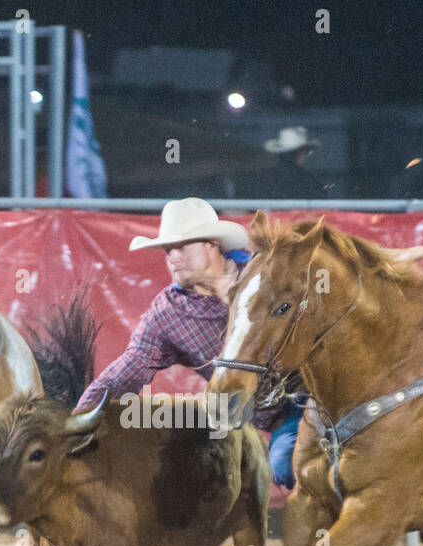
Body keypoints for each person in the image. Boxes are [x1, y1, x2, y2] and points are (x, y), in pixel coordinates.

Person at [77, 197, 304, 487]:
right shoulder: (170, 314)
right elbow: (123, 374)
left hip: (321, 391)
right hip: (280, 417)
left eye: (181, 246)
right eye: (168, 249)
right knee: (285, 465)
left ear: (212, 245)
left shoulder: (266, 276)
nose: (173, 256)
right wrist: (78, 421)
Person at [255, 126, 327, 200]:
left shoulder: (265, 179)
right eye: (304, 152)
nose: (306, 156)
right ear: (298, 155)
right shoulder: (308, 181)